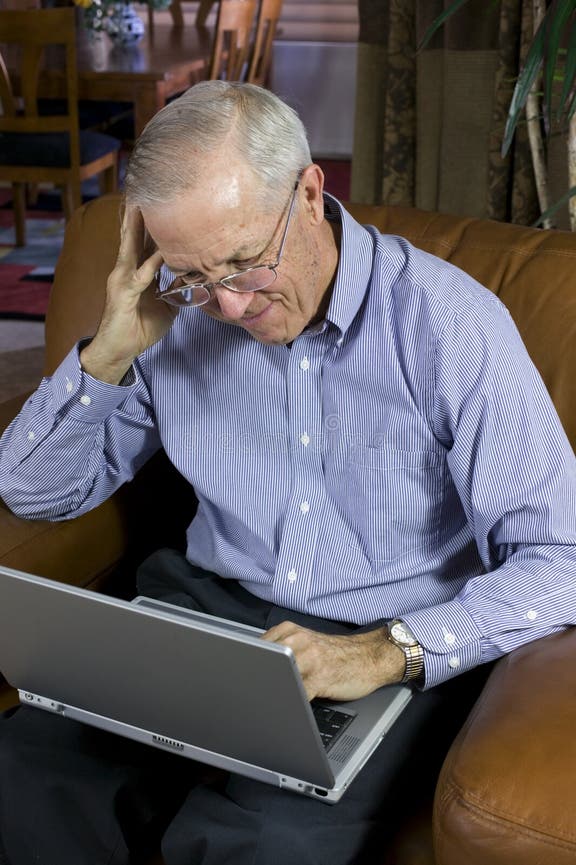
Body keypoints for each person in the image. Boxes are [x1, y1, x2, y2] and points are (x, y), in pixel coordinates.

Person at [1, 80, 576, 865]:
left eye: (245, 262)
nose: (230, 305)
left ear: (310, 192)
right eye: (196, 276)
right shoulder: (170, 315)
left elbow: (562, 558)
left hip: (374, 649)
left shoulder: (452, 326)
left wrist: (385, 650)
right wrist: (108, 353)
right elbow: (35, 491)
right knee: (25, 780)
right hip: (202, 612)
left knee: (263, 843)